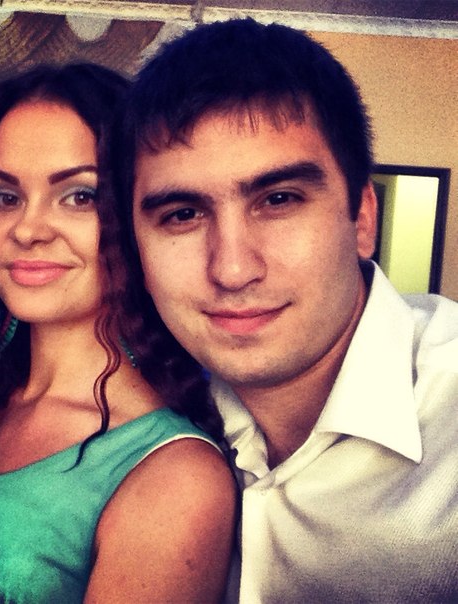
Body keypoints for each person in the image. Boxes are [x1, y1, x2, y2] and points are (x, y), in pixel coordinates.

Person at [0, 63, 236, 603]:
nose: (28, 229)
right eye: (4, 196)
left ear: (138, 213)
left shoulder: (175, 476)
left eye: (79, 196)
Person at [112, 18, 458, 603]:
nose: (232, 269)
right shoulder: (141, 414)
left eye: (278, 199)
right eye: (183, 215)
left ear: (362, 218)